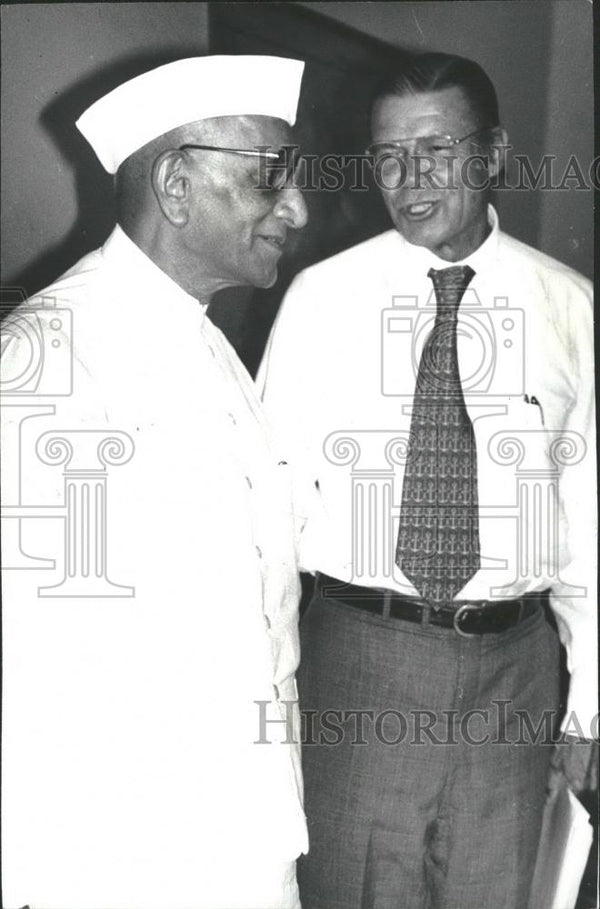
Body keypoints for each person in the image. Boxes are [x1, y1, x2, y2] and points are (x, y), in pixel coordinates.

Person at [258, 52, 597, 909]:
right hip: (362, 658)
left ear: (494, 155)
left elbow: (586, 511)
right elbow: (266, 509)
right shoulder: (319, 296)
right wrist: (266, 687)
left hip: (517, 673)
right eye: (386, 155)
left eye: (437, 150)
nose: (408, 178)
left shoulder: (568, 304)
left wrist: (588, 703)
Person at [1, 55, 309, 909]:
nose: (298, 210)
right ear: (177, 185)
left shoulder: (209, 341)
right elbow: (27, 659)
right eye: (269, 181)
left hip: (244, 825)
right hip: (127, 853)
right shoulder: (51, 358)